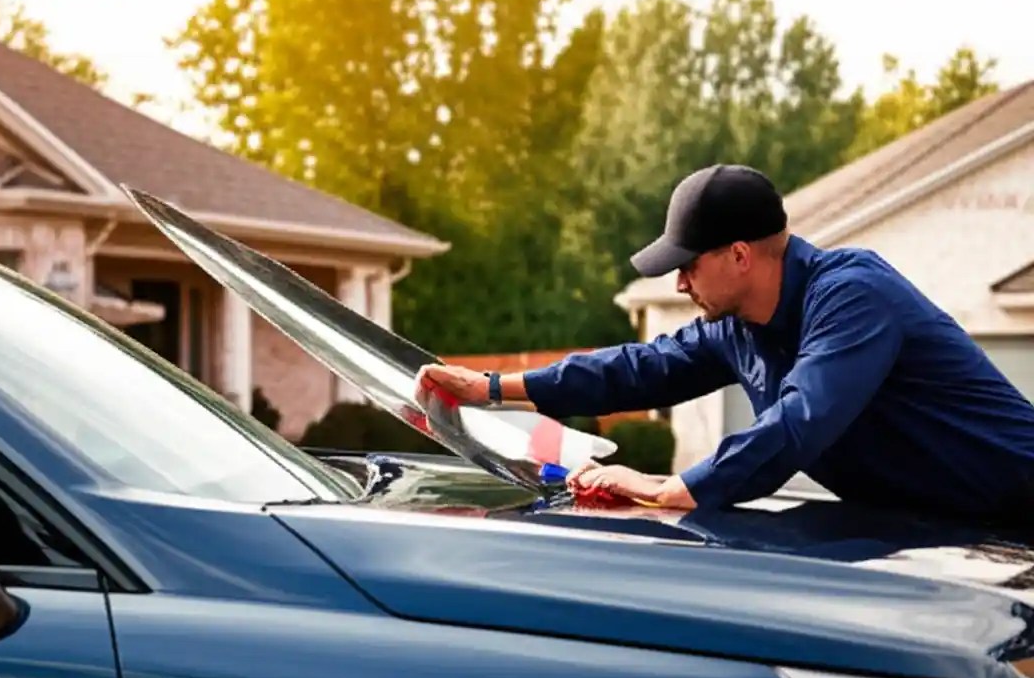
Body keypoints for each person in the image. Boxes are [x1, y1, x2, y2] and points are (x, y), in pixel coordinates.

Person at [416, 164, 1034, 525]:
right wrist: (491, 388)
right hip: (945, 539)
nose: (679, 282)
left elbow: (800, 421)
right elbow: (637, 370)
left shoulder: (853, 296)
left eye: (687, 265)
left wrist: (668, 489)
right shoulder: (734, 328)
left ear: (739, 255)